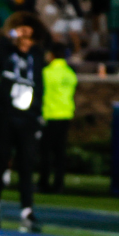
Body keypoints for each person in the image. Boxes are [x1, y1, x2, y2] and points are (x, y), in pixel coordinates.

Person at [0, 12, 46, 233]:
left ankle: (27, 211)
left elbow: (44, 39)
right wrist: (12, 33)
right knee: (1, 161)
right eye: (22, 36)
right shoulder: (5, 53)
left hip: (27, 118)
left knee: (27, 165)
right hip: (5, 117)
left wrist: (37, 115)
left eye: (29, 37)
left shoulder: (37, 55)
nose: (26, 41)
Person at [38, 42, 77, 194]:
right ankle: (59, 184)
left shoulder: (47, 72)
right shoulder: (69, 73)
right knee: (60, 152)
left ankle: (44, 183)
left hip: (50, 114)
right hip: (65, 114)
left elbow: (40, 93)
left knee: (46, 152)